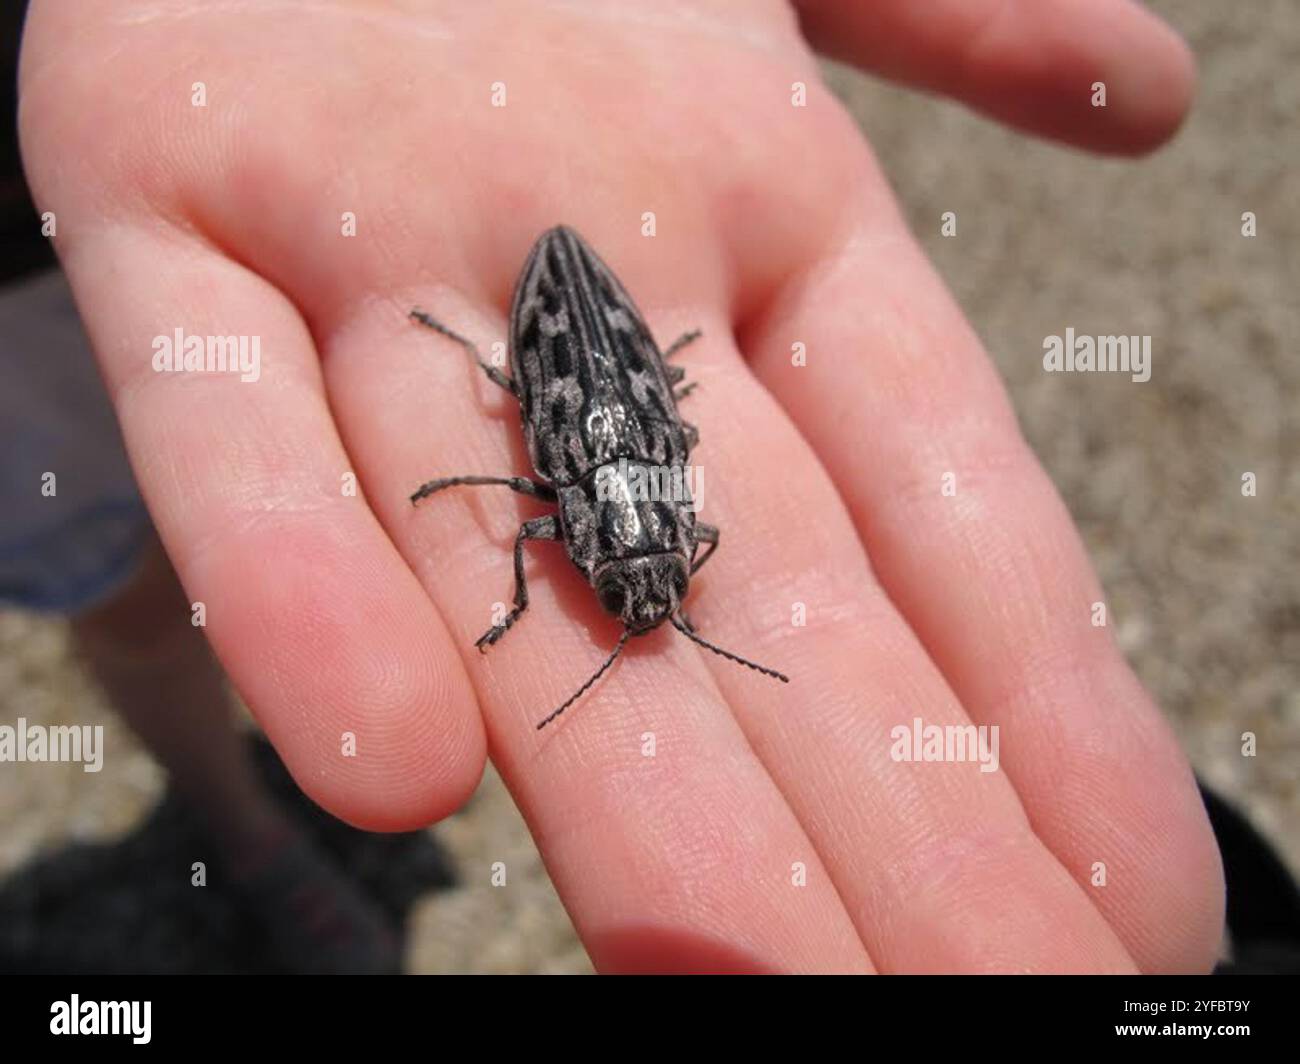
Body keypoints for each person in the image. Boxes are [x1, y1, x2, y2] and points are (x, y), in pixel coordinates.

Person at [7, 0, 1223, 973]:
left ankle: (234, 814)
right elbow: (548, 485)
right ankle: (233, 810)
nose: (639, 588)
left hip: (597, 377)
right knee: (148, 567)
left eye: (637, 578)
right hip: (578, 362)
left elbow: (575, 493)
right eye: (635, 575)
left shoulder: (603, 506)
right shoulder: (603, 499)